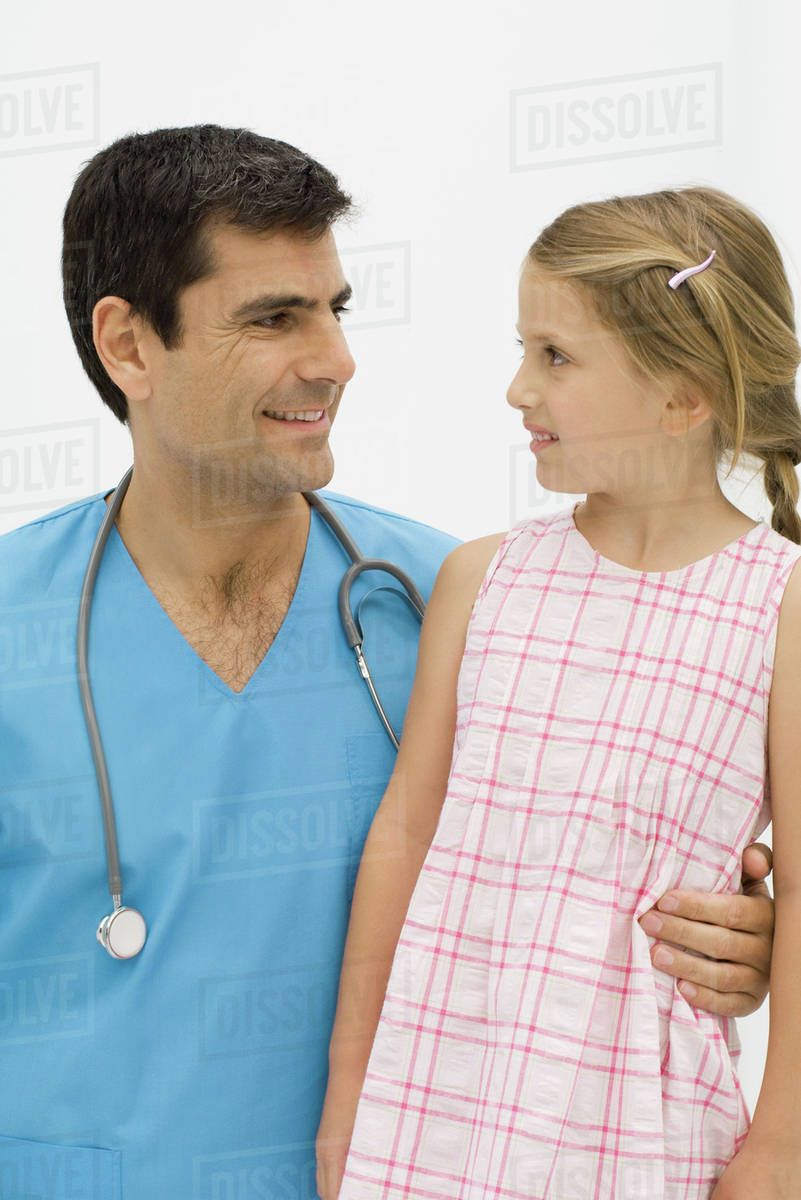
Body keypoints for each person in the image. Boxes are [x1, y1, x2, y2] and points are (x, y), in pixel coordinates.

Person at [0, 128, 774, 1200]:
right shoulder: (12, 626)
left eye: (336, 309)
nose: (336, 359)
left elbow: (612, 831)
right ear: (129, 346)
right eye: (275, 317)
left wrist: (728, 934)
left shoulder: (453, 602)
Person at [320, 187, 801, 1200]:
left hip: (640, 1135)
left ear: (683, 394)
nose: (516, 389)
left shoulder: (781, 606)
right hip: (431, 1111)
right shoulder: (482, 580)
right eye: (523, 348)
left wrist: (780, 1153)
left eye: (556, 357)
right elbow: (404, 836)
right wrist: (348, 1093)